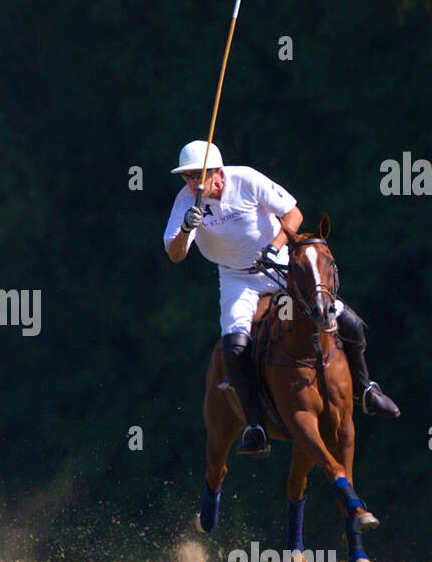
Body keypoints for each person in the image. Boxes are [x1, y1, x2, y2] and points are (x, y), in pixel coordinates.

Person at [163, 140, 397, 457]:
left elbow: (293, 213)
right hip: (235, 278)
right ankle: (256, 426)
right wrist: (185, 229)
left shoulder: (245, 178)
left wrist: (273, 247)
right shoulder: (186, 202)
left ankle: (367, 389)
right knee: (234, 348)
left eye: (199, 175)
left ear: (218, 172)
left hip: (278, 264)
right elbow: (176, 255)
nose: (194, 183)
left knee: (349, 322)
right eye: (188, 177)